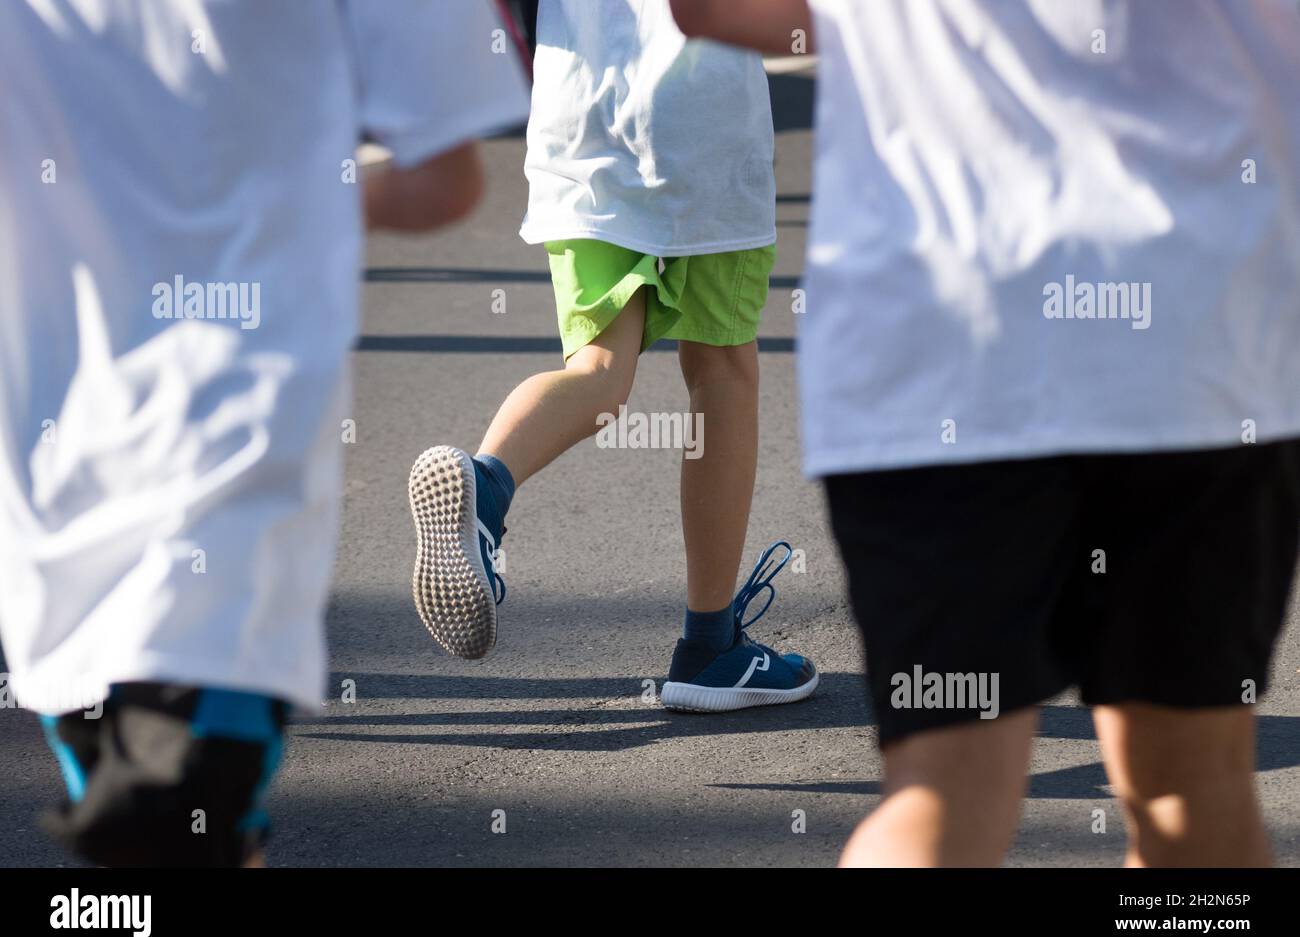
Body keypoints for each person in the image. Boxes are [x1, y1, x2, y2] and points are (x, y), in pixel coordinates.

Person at [674, 0, 1300, 865]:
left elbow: (711, 9)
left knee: (940, 794)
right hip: (1194, 332)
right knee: (1191, 791)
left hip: (943, 337)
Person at [0, 0, 529, 866]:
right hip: (232, 457)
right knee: (183, 833)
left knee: (142, 849)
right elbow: (444, 179)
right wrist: (281, 204)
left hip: (45, 484)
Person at [409, 0, 818, 712]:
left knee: (598, 372)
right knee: (721, 371)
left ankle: (487, 483)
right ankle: (710, 648)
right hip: (704, 121)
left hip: (579, 123)